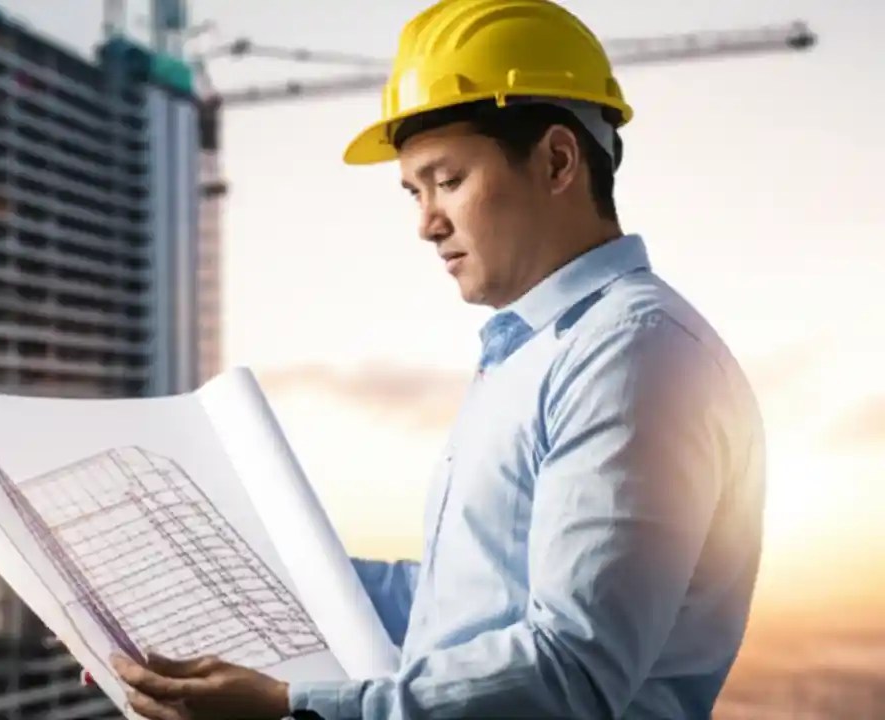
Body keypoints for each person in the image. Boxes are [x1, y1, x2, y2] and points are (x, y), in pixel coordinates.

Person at [109, 0, 767, 717]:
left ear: (556, 161)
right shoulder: (529, 355)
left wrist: (292, 708)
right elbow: (455, 602)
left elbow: (569, 669)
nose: (426, 224)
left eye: (447, 181)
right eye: (413, 191)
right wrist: (223, 584)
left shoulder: (633, 354)